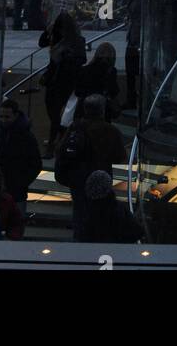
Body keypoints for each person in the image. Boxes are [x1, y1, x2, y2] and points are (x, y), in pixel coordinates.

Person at [54, 94, 126, 241]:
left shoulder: (75, 126)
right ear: (102, 110)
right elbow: (120, 157)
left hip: (78, 177)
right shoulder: (110, 131)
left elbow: (60, 149)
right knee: (101, 212)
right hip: (101, 177)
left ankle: (80, 241)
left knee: (80, 210)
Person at [39, 11, 87, 151]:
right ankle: (59, 134)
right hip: (54, 79)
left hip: (65, 80)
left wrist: (66, 57)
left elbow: (81, 60)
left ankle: (53, 142)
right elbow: (42, 43)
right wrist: (47, 31)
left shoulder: (76, 41)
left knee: (56, 111)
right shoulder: (57, 37)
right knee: (52, 110)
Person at [0, 97, 43, 217]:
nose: (3, 120)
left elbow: (36, 164)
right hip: (8, 187)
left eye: (6, 117)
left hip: (14, 188)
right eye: (1, 116)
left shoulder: (26, 137)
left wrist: (21, 182)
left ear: (15, 115)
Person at [75, 40, 120, 117]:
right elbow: (114, 91)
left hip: (84, 108)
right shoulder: (111, 71)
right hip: (103, 109)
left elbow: (78, 91)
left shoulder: (85, 70)